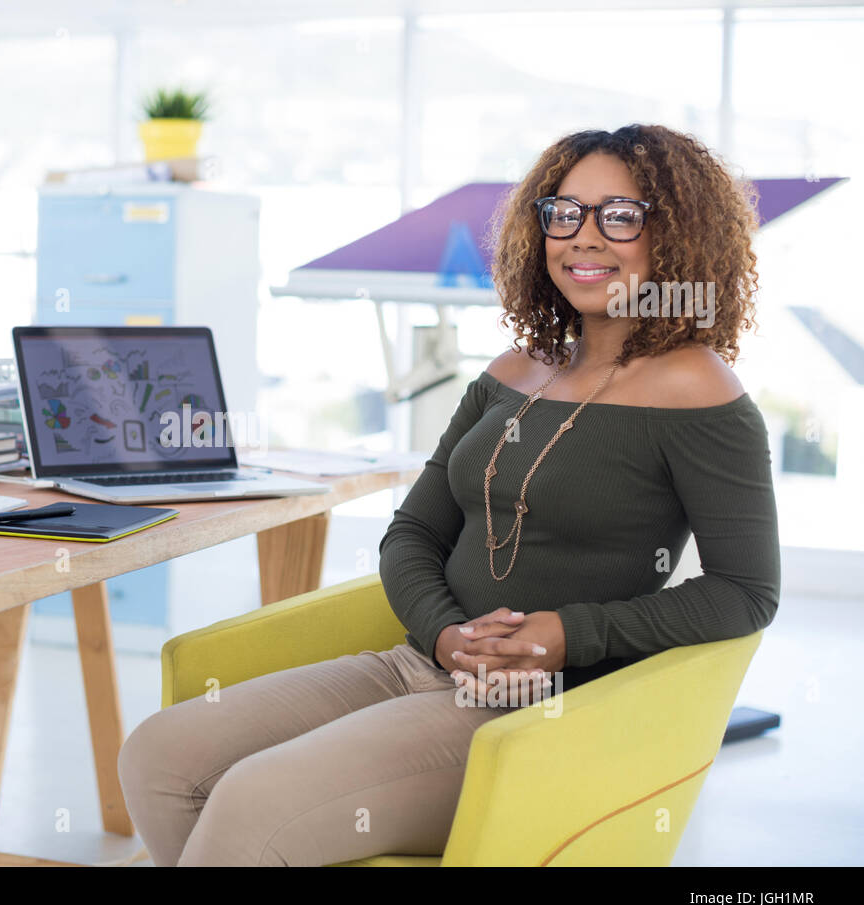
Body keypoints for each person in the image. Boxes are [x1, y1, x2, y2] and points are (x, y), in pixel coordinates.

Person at [117, 123, 781, 867]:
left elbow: (744, 592)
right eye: (564, 213)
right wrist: (440, 633)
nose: (584, 238)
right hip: (417, 662)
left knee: (254, 803)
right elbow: (411, 535)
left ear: (678, 234)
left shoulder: (698, 391)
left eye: (620, 215)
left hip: (536, 709)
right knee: (160, 754)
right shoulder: (516, 369)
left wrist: (570, 632)